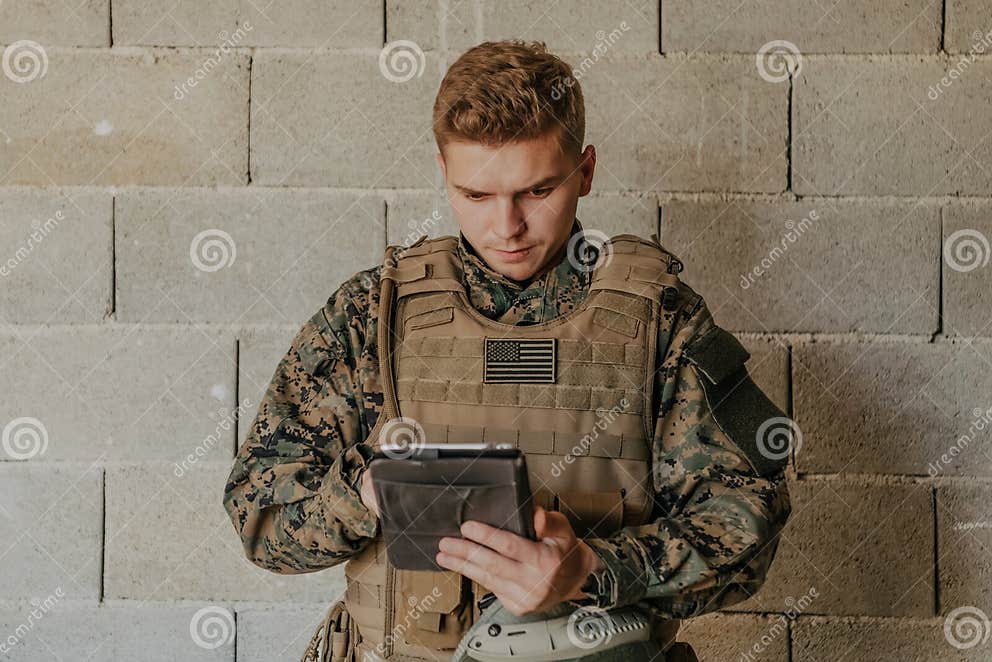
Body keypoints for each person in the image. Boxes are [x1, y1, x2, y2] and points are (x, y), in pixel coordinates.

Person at [223, 39, 792, 662]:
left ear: (587, 170)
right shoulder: (371, 316)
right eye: (475, 195)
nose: (507, 226)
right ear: (443, 172)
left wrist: (597, 569)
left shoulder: (661, 316)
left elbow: (748, 520)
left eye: (536, 190)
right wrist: (367, 489)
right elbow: (261, 519)